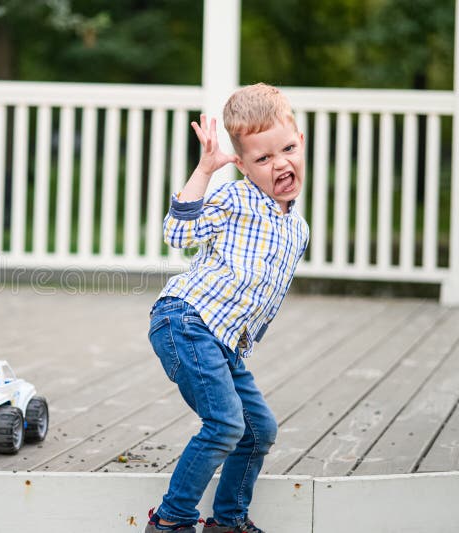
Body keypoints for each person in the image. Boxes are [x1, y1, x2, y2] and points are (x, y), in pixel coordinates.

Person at [145, 83, 310, 532]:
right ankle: (170, 520)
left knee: (259, 431)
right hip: (185, 321)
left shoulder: (299, 228)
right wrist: (204, 171)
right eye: (262, 158)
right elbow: (177, 235)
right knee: (224, 423)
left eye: (288, 148)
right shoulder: (236, 199)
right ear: (242, 163)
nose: (280, 163)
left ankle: (228, 521)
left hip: (225, 344)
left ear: (300, 139)